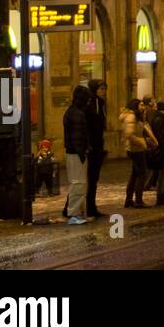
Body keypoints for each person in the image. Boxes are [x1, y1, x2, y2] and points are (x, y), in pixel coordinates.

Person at [119, 99, 157, 209]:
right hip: (135, 149)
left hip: (136, 148)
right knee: (143, 174)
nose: (143, 107)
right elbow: (130, 134)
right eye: (141, 105)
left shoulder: (136, 116)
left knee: (135, 174)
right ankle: (138, 201)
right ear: (134, 106)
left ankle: (129, 200)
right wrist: (142, 142)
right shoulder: (131, 117)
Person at [62, 86, 90, 224]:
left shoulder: (72, 112)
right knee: (78, 183)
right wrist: (82, 152)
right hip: (76, 153)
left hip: (73, 152)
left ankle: (78, 212)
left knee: (78, 183)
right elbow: (78, 136)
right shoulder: (77, 114)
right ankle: (74, 213)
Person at [84, 79, 108, 218]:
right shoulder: (93, 104)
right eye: (101, 89)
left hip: (97, 145)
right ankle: (90, 207)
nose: (104, 92)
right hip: (93, 146)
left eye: (105, 89)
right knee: (89, 179)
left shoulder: (100, 104)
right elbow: (93, 126)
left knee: (92, 179)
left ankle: (91, 206)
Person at [144, 100, 164, 205]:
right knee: (163, 173)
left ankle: (163, 194)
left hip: (163, 149)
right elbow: (162, 137)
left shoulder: (160, 118)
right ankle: (162, 196)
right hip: (163, 150)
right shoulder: (160, 119)